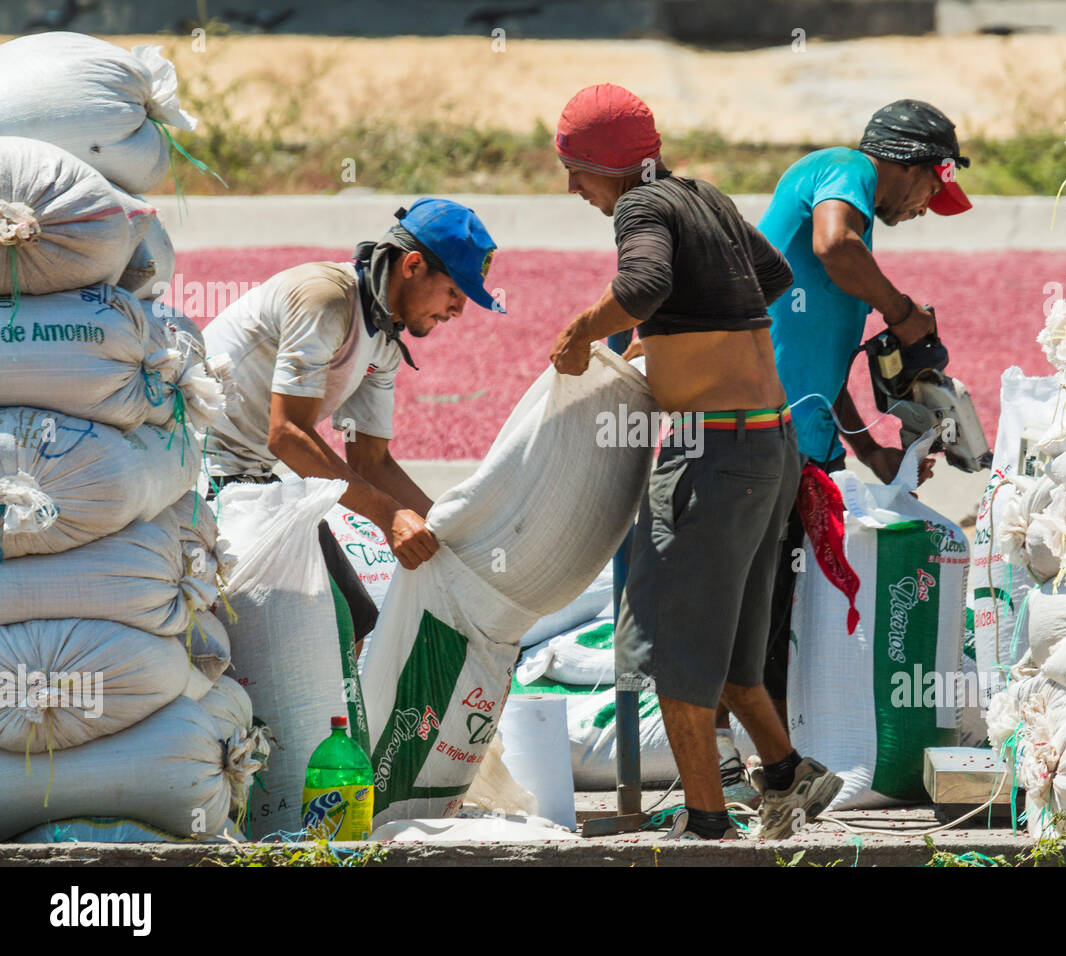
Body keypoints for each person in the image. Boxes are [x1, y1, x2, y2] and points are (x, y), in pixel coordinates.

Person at [549, 83, 843, 840]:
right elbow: (770, 279)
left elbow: (642, 284)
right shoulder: (700, 195)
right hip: (768, 446)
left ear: (606, 166)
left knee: (673, 641)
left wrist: (585, 331)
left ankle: (707, 829)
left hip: (709, 452)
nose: (571, 186)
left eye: (576, 169)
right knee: (736, 648)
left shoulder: (639, 208)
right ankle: (785, 776)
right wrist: (675, 336)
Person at [751, 99, 973, 722]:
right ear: (916, 164)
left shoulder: (860, 227)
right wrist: (902, 314)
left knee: (782, 614)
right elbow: (833, 246)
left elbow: (822, 366)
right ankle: (747, 763)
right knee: (757, 610)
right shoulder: (845, 167)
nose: (925, 207)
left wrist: (869, 448)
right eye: (933, 190)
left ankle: (779, 749)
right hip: (764, 435)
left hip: (807, 448)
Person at [201, 200, 505, 643]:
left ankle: (334, 714)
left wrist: (449, 533)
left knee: (354, 620)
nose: (458, 311)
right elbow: (287, 435)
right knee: (324, 624)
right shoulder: (325, 299)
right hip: (198, 471)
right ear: (414, 265)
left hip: (249, 475)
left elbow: (371, 463)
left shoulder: (384, 340)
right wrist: (389, 515)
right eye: (455, 292)